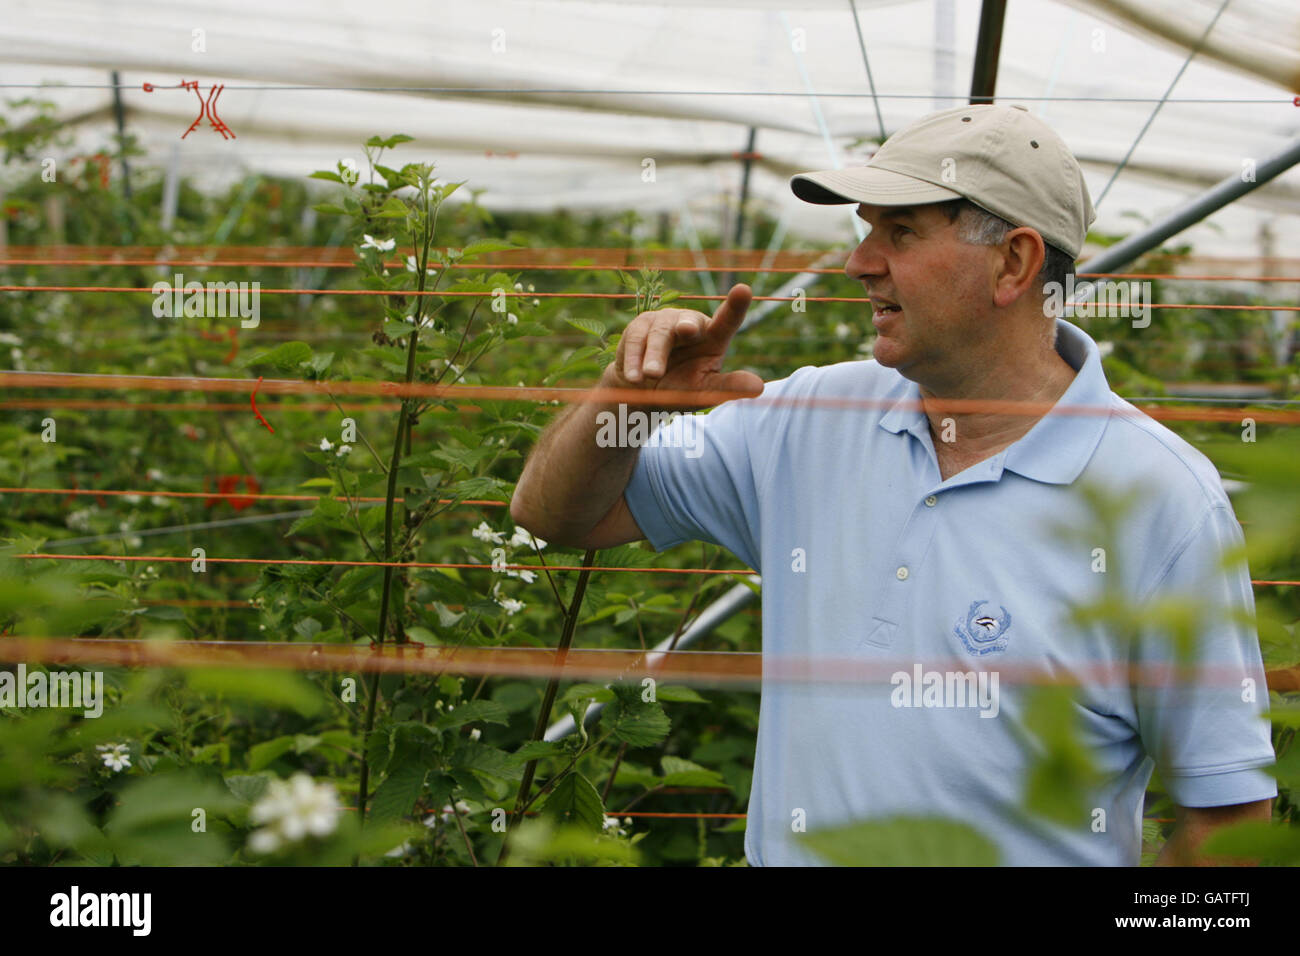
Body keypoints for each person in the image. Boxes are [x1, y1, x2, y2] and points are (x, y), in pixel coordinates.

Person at [510, 104, 1276, 866]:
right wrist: (623, 403)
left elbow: (1231, 823)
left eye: (900, 233)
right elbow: (557, 516)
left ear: (1013, 262)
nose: (859, 261)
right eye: (866, 228)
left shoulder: (1159, 499)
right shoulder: (808, 417)